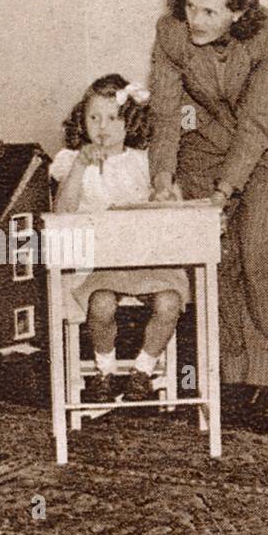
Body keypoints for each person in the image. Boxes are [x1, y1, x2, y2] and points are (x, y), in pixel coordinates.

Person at [147, 0, 268, 425]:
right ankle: (231, 370)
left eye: (210, 12)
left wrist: (225, 191)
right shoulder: (170, 34)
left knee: (255, 248)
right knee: (218, 253)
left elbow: (257, 121)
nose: (195, 20)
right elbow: (166, 114)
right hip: (207, 140)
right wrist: (162, 180)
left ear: (238, 13)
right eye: (190, 6)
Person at [50, 74, 188, 404]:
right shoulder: (69, 161)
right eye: (94, 117)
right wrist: (81, 167)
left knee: (170, 301)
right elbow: (62, 212)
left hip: (147, 260)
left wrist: (166, 196)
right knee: (100, 304)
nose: (102, 127)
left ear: (130, 122)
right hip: (101, 263)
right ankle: (105, 370)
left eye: (113, 118)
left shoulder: (143, 161)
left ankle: (144, 369)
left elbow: (173, 202)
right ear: (81, 121)